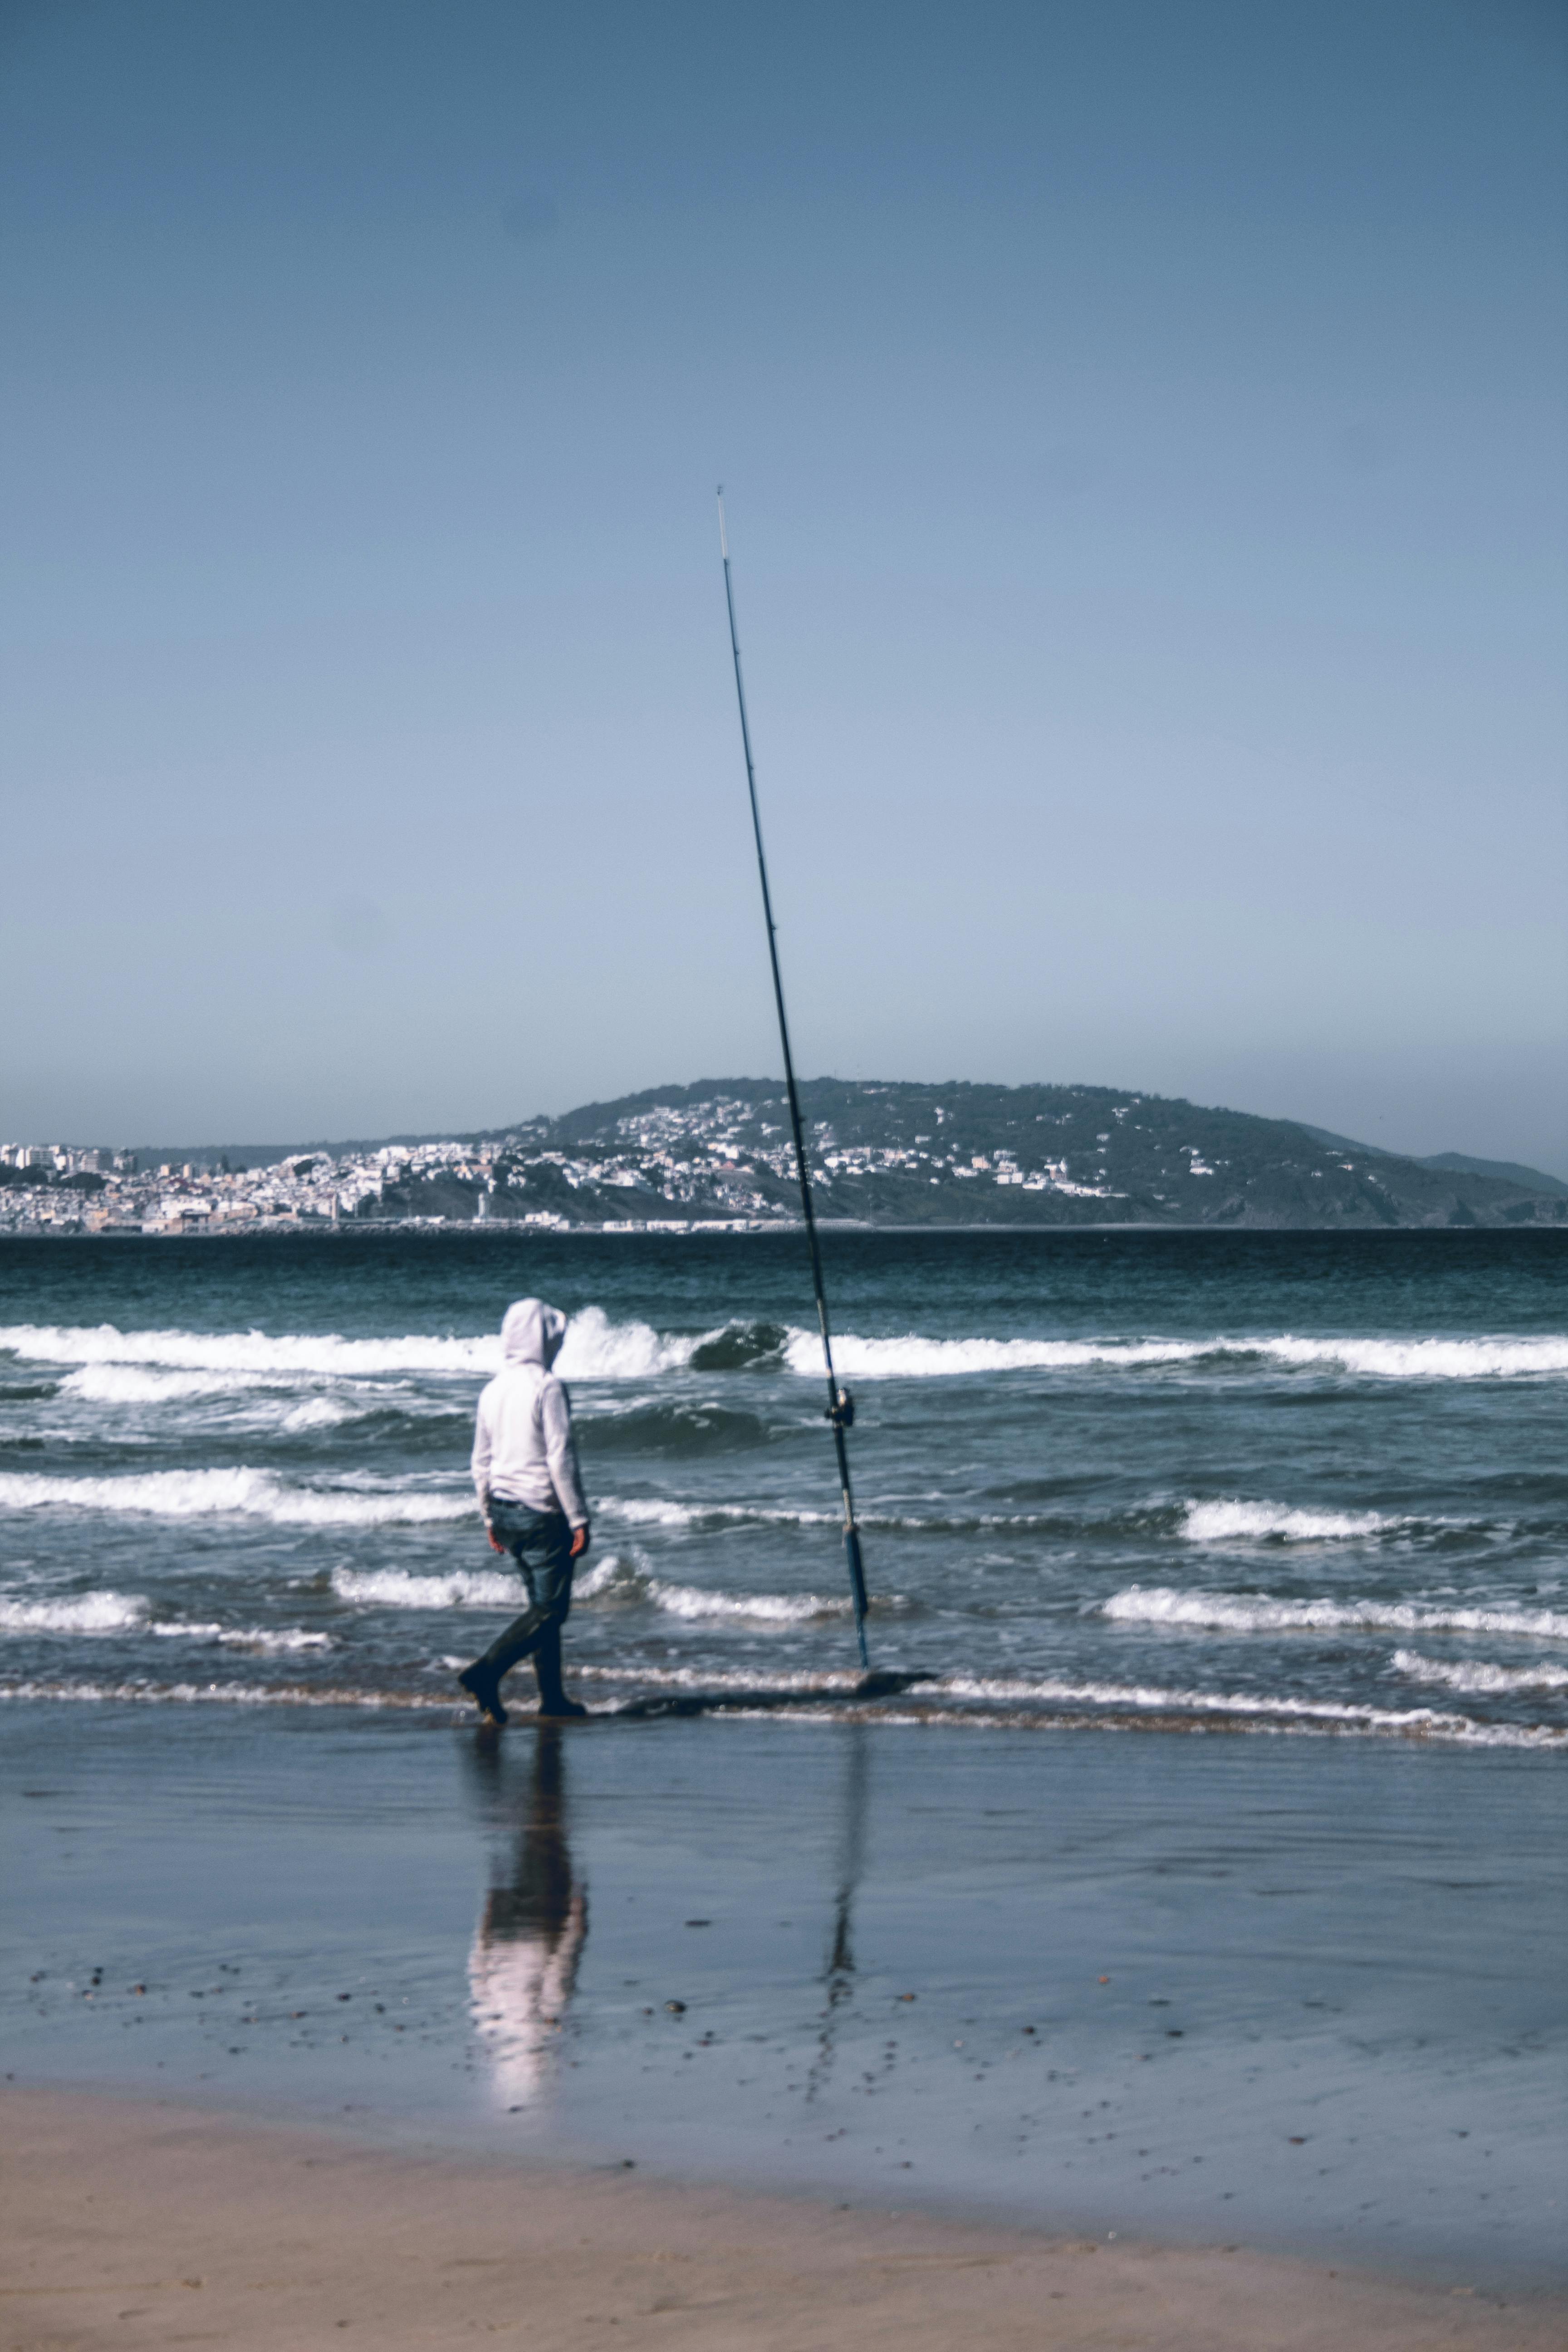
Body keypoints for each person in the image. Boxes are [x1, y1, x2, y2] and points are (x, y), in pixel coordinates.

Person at [458, 1298, 591, 1725]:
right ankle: (486, 1672)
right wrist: (578, 1518)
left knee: (540, 1609)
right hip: (541, 1514)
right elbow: (560, 1457)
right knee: (551, 1611)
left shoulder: (493, 1389)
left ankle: (552, 1698)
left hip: (506, 1512)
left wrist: (488, 1517)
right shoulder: (547, 1386)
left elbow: (481, 1461)